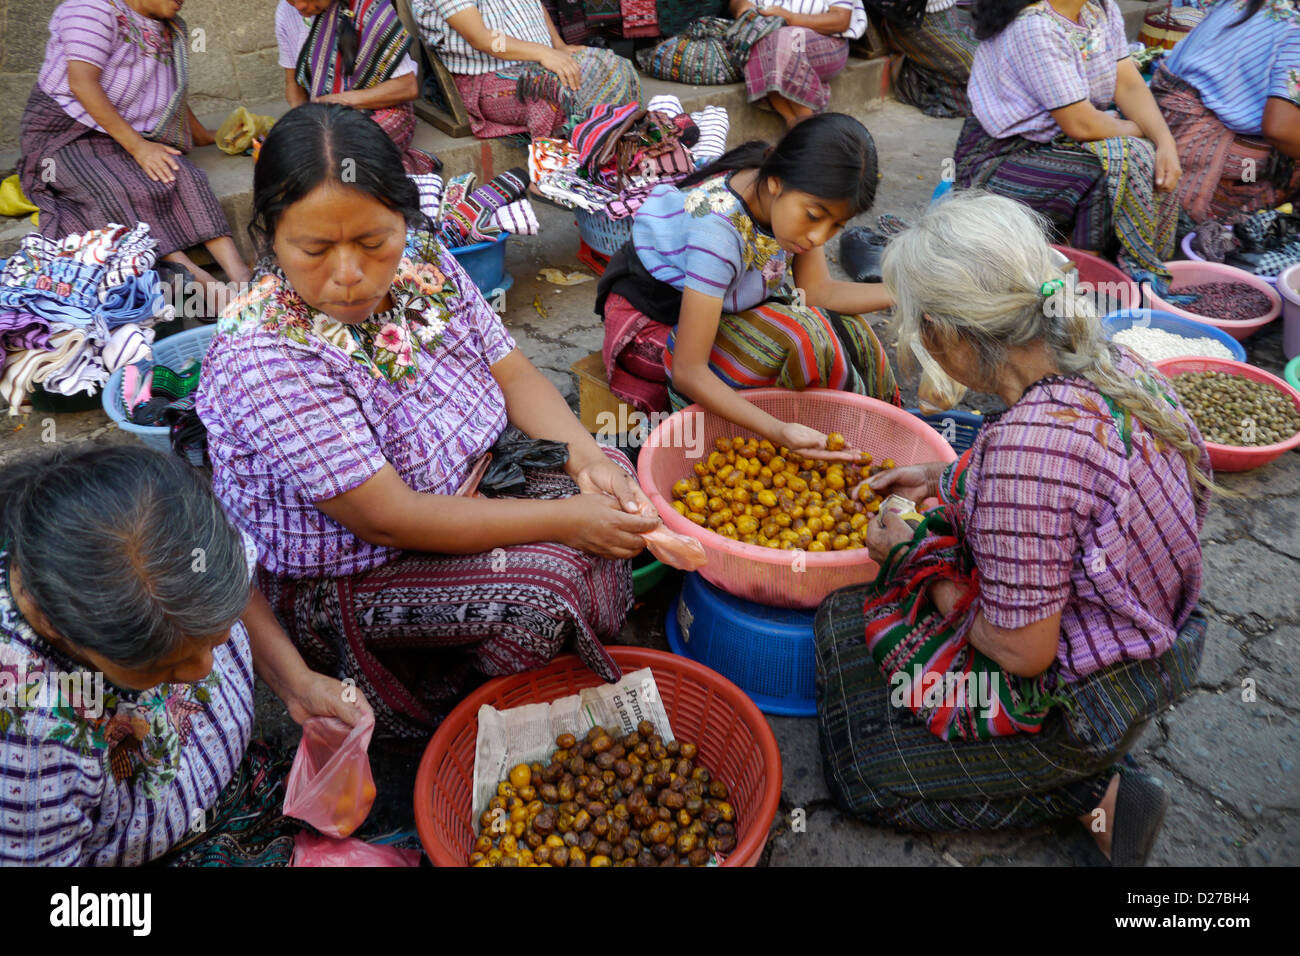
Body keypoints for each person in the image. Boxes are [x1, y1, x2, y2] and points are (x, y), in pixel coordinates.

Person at [195, 104, 659, 743]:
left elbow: (513, 371)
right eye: (314, 248)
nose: (349, 273)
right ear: (269, 236)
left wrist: (584, 455)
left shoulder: (423, 261)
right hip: (354, 572)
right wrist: (564, 520)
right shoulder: (267, 352)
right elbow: (389, 517)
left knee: (618, 479)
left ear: (401, 221)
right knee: (545, 589)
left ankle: (527, 637)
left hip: (473, 483)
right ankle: (441, 696)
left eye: (372, 241)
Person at [815, 192, 1211, 865]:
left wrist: (915, 561)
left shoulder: (1027, 454)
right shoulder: (1116, 366)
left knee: (861, 771)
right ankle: (1070, 769)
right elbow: (1070, 486)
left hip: (1085, 688)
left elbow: (1022, 651)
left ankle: (1093, 788)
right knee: (843, 632)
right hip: (1156, 636)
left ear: (945, 333)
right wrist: (941, 484)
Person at [0, 444, 371, 866]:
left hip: (229, 788)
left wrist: (295, 682)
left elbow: (232, 590)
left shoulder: (179, 526)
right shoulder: (30, 739)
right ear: (58, 629)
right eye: (163, 667)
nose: (204, 670)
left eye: (215, 639)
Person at [595, 113, 900, 455]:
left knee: (852, 330)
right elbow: (688, 372)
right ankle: (828, 437)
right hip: (653, 327)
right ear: (776, 182)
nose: (818, 236)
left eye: (836, 226)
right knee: (805, 336)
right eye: (814, 216)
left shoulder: (788, 197)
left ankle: (873, 441)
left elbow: (818, 292)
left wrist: (906, 294)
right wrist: (779, 431)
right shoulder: (717, 232)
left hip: (719, 304)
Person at [18, 0, 251, 302]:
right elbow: (81, 83)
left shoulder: (165, 26)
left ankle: (241, 273)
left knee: (182, 174)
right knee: (114, 187)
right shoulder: (92, 8)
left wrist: (202, 134)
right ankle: (194, 278)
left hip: (120, 134)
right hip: (62, 136)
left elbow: (169, 91)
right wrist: (139, 147)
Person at [955, 0, 1183, 284]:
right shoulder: (1035, 25)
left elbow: (1128, 83)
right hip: (999, 159)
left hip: (1055, 143)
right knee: (1114, 162)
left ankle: (1107, 260)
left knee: (1145, 151)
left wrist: (1165, 142)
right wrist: (1143, 132)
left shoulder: (1099, 9)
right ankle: (1081, 275)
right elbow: (1081, 124)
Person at [1150, 0, 1300, 224]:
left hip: (1163, 116)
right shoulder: (1295, 30)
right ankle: (1234, 223)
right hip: (1201, 141)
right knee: (1287, 168)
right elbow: (1280, 130)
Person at [409, 0, 639, 140]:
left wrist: (558, 46)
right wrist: (543, 52)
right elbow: (481, 38)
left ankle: (609, 149)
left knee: (615, 66)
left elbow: (535, 7)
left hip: (537, 59)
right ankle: (549, 171)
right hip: (485, 76)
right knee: (553, 90)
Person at [274, 0, 438, 174]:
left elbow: (407, 87)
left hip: (382, 110)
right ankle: (398, 168)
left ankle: (409, 167)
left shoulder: (367, 7)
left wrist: (341, 100)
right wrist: (301, 121)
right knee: (290, 155)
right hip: (327, 116)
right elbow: (292, 83)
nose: (299, 6)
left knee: (343, 152)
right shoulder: (285, 12)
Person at [728, 0, 869, 129]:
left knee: (782, 39)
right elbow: (736, 4)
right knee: (762, 39)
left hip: (827, 40)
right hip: (771, 39)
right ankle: (794, 127)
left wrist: (790, 18)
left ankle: (808, 125)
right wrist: (745, 9)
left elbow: (840, 20)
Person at [879, 0, 977, 118]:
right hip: (912, 21)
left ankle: (929, 71)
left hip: (948, 14)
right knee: (973, 64)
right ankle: (918, 75)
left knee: (994, 47)